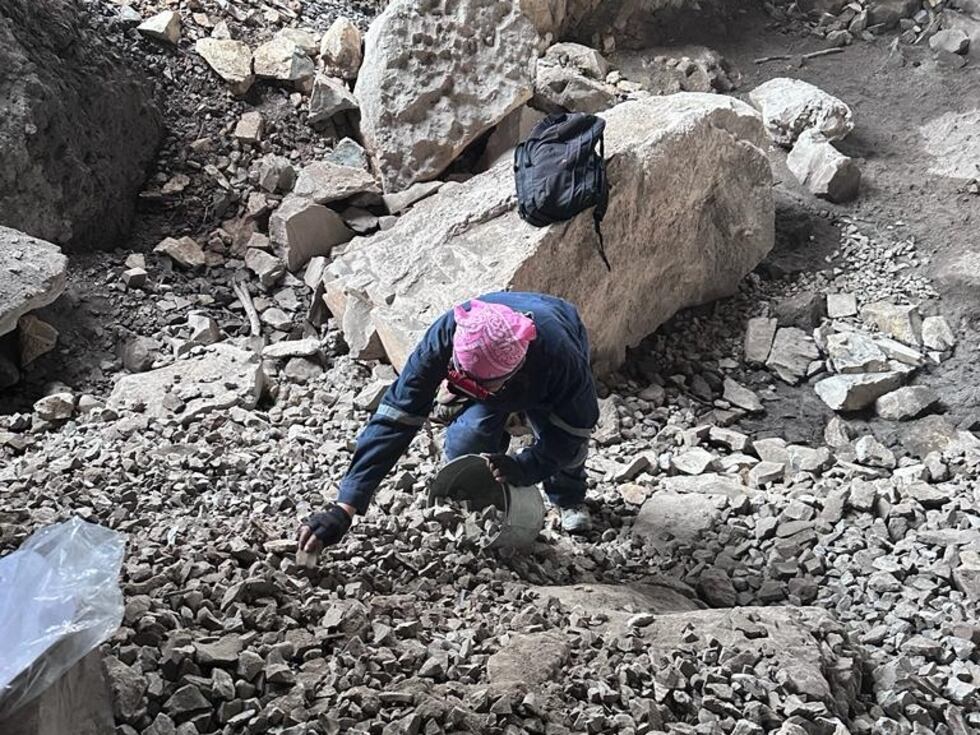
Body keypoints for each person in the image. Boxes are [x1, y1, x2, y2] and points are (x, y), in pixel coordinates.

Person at [298, 291, 599, 553]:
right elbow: (397, 416)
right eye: (462, 378)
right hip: (495, 368)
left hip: (552, 340)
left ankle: (569, 497)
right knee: (466, 440)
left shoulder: (561, 359)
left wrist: (527, 466)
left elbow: (573, 431)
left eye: (482, 387)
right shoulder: (447, 335)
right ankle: (484, 499)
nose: (474, 388)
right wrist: (345, 506)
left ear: (513, 373)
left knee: (565, 447)